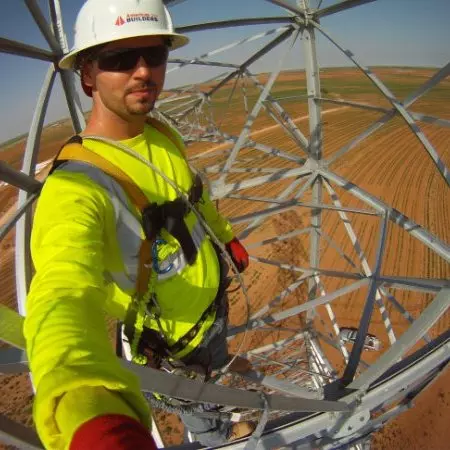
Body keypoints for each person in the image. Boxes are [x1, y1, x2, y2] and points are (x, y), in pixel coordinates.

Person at [23, 0, 254, 448]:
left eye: (155, 54)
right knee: (198, 405)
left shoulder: (163, 134)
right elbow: (62, 293)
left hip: (211, 311)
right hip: (171, 344)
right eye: (120, 58)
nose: (144, 71)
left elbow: (196, 197)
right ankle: (216, 437)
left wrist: (228, 239)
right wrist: (89, 412)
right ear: (87, 75)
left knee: (214, 368)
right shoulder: (77, 187)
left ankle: (218, 387)